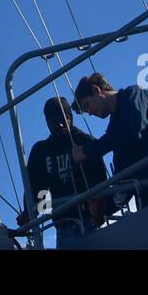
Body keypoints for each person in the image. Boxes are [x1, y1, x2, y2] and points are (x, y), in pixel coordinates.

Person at [71, 73, 148, 210]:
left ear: (96, 90)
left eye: (87, 105)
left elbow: (131, 130)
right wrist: (105, 207)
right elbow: (123, 173)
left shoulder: (135, 94)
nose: (89, 112)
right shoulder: (115, 128)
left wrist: (87, 150)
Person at [17, 96, 112, 248]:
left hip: (89, 221)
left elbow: (99, 176)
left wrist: (99, 203)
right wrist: (29, 212)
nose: (61, 124)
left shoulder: (85, 141)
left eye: (65, 118)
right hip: (63, 226)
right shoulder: (41, 151)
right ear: (48, 123)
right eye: (54, 121)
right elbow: (37, 186)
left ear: (70, 117)